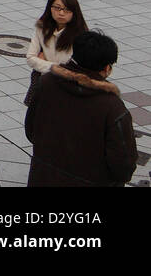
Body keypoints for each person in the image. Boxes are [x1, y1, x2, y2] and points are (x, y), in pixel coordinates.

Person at [25, 30, 137, 187]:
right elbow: (124, 166)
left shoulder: (46, 82)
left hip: (43, 176)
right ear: (106, 68)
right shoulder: (113, 108)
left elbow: (31, 130)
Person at [25, 0, 89, 104]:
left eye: (67, 9)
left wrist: (43, 63)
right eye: (57, 8)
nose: (61, 13)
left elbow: (74, 69)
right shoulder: (41, 27)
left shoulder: (81, 36)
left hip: (67, 87)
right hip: (43, 83)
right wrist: (57, 68)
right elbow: (30, 58)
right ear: (50, 8)